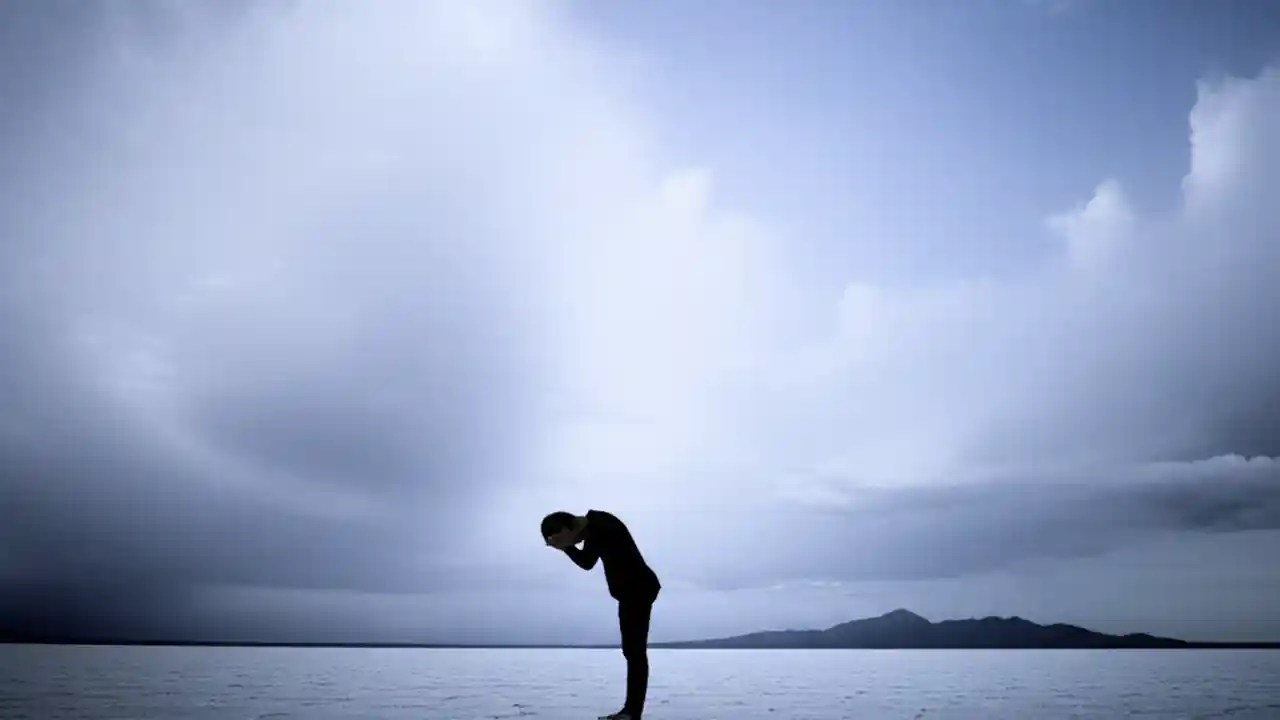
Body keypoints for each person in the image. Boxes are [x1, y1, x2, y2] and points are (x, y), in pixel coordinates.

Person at [542, 509, 661, 720]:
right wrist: (567, 545)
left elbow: (592, 546)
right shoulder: (592, 529)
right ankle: (631, 712)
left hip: (640, 589)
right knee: (632, 652)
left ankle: (632, 713)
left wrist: (568, 543)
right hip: (630, 594)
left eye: (558, 537)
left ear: (568, 528)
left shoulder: (599, 525)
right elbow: (587, 562)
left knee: (635, 652)